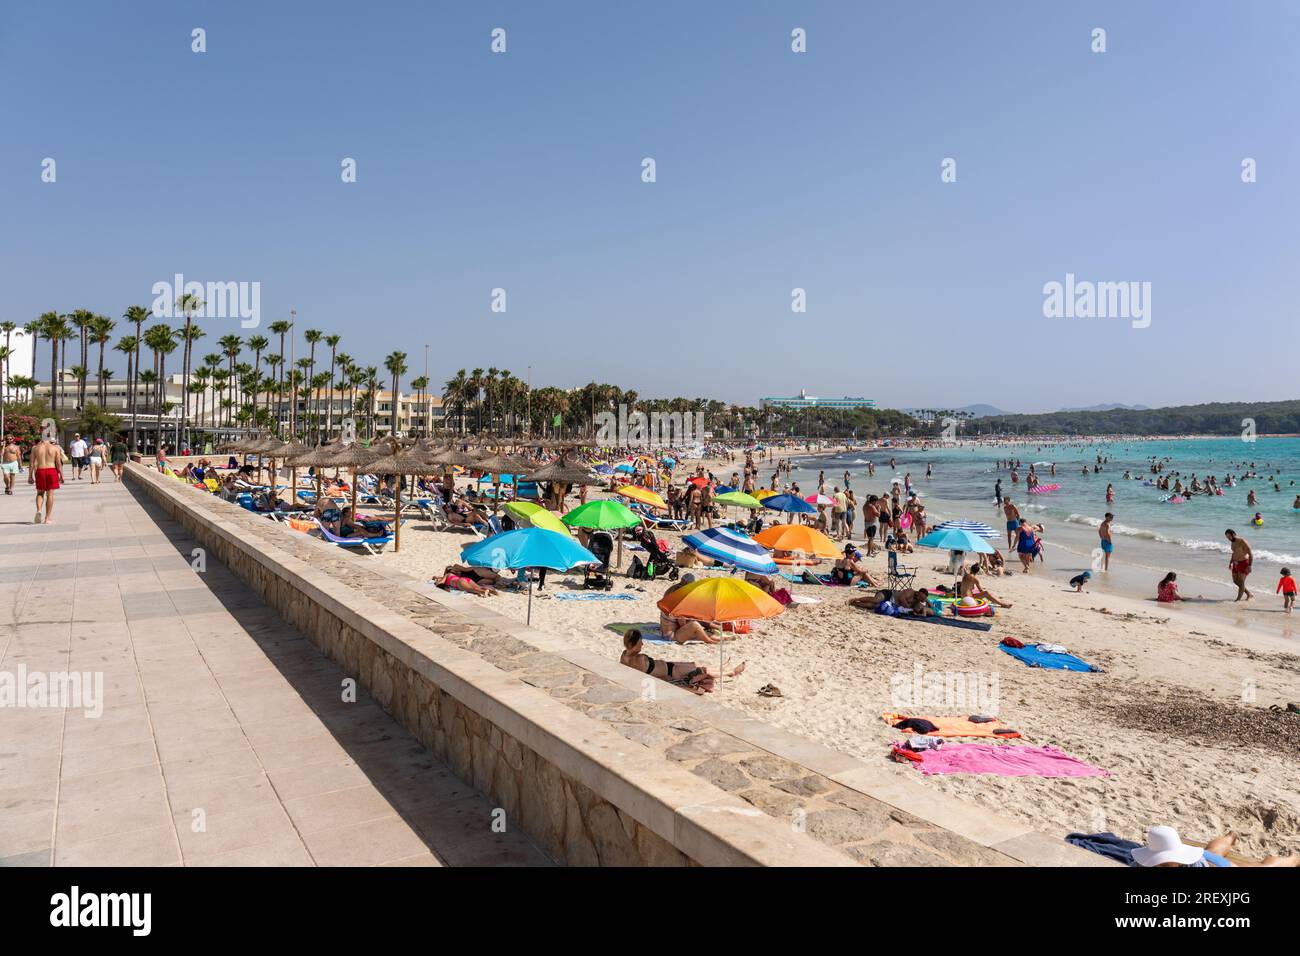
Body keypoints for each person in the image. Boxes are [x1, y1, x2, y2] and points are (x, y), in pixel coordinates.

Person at [619, 629, 744, 695]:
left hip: (670, 666)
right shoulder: (639, 659)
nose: (642, 644)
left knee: (697, 665)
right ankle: (730, 672)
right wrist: (665, 679)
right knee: (702, 671)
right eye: (640, 642)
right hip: (673, 672)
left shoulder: (624, 656)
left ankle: (720, 668)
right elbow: (648, 678)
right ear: (634, 645)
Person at [1132, 825, 1298, 868]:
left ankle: (1292, 858)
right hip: (1203, 855)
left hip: (1214, 865)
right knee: (1212, 851)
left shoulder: (1197, 866)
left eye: (1167, 864)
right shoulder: (1142, 864)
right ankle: (1230, 836)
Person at [660, 574, 722, 644]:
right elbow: (683, 625)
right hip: (671, 636)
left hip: (666, 631)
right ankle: (709, 640)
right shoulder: (679, 603)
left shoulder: (673, 590)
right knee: (695, 625)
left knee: (696, 620)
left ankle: (717, 628)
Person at [29, 435, 65, 525]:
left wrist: (30, 476)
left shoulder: (35, 448)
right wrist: (61, 475)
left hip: (40, 471)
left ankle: (39, 510)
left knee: (40, 493)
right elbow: (58, 464)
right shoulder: (55, 448)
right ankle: (47, 518)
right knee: (50, 494)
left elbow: (32, 464)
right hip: (51, 470)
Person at [1225, 529, 1253, 601]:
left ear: (1234, 534)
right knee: (1235, 581)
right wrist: (1230, 562)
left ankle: (1238, 600)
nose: (1228, 538)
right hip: (1235, 563)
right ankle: (1249, 594)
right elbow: (1234, 553)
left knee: (1241, 581)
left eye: (1229, 536)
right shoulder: (1232, 542)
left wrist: (1250, 565)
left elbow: (1250, 553)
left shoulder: (1242, 541)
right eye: (1227, 537)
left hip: (1243, 563)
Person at [434, 566, 498, 596]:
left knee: (471, 589)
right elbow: (441, 578)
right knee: (478, 586)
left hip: (459, 582)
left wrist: (437, 582)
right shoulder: (453, 575)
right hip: (465, 579)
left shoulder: (447, 575)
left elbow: (440, 583)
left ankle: (483, 592)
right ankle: (490, 591)